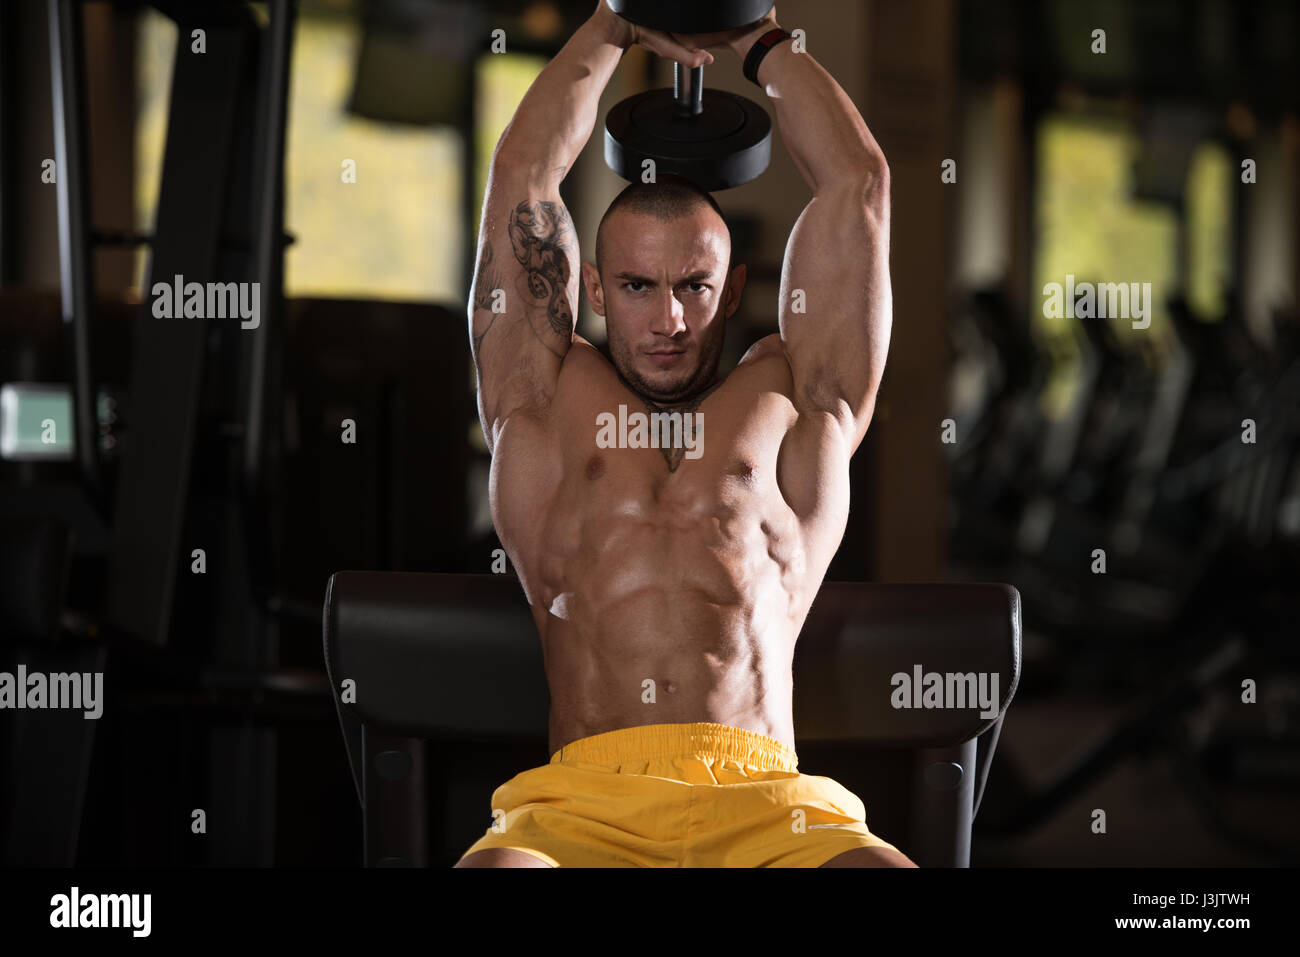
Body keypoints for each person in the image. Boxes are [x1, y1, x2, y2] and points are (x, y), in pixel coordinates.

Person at [458, 0, 908, 867]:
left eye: (694, 286)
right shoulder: (544, 405)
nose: (667, 318)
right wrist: (612, 24)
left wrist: (760, 41)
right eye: (635, 286)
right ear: (591, 287)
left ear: (733, 287)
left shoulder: (793, 399)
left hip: (768, 805)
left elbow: (859, 185)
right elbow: (523, 174)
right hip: (579, 804)